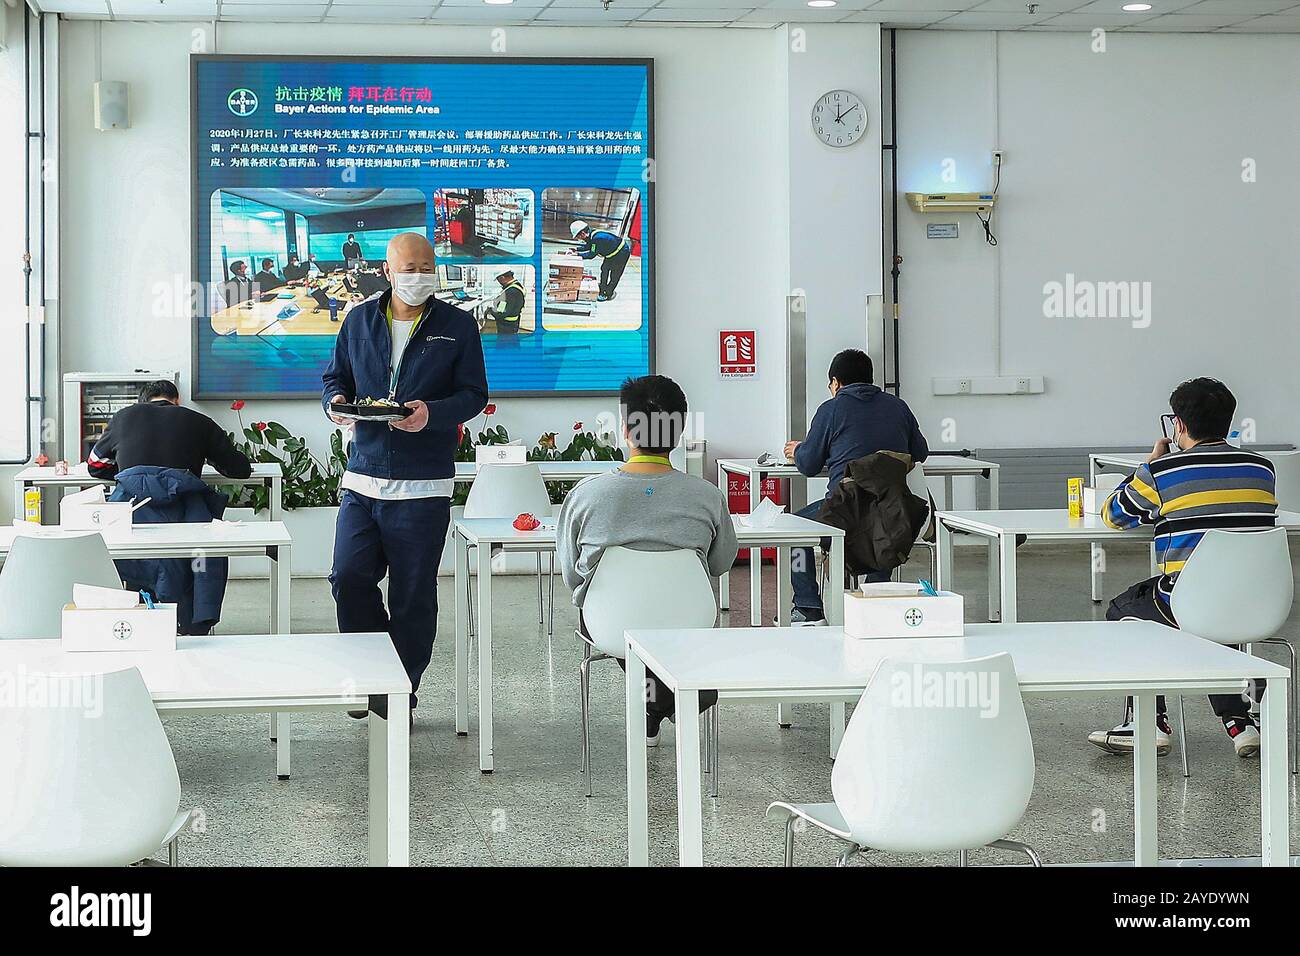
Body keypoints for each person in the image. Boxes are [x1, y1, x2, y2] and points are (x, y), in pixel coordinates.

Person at [322, 232, 488, 723]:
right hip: (363, 479)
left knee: (414, 593)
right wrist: (334, 405)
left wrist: (429, 414)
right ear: (388, 272)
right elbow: (337, 379)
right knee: (348, 578)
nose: (419, 276)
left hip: (423, 485)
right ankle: (372, 673)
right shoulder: (357, 320)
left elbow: (474, 395)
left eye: (426, 266)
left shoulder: (457, 325)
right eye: (409, 268)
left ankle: (401, 686)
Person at [1089, 377, 1277, 759]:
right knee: (1211, 615)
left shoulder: (1164, 472)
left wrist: (1148, 465)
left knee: (1125, 610)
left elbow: (1114, 515)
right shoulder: (1263, 469)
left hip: (1192, 600)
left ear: (1178, 424)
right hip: (1260, 600)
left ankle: (1148, 724)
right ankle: (1241, 724)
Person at [557, 375, 739, 745]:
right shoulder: (707, 497)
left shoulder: (585, 496)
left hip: (610, 622)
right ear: (679, 430)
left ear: (625, 429)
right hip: (689, 620)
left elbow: (571, 574)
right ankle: (662, 700)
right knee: (658, 623)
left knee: (631, 623)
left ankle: (654, 703)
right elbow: (720, 563)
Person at [87, 380, 252, 635]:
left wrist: (131, 473)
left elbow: (95, 465)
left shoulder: (123, 417)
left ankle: (137, 620)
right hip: (185, 516)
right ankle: (192, 624)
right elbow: (239, 469)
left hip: (132, 518)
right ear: (177, 400)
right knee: (202, 556)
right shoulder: (198, 421)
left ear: (143, 402)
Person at [782, 349, 929, 624]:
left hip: (843, 515)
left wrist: (798, 449)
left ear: (836, 382)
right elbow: (920, 452)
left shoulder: (831, 409)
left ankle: (807, 608)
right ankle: (876, 599)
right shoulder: (898, 407)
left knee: (794, 531)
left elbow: (809, 464)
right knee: (881, 523)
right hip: (894, 516)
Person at [570, 220, 631, 301]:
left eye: (578, 237)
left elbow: (591, 254)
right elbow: (589, 246)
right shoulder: (591, 235)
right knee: (604, 269)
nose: (579, 239)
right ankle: (602, 288)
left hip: (622, 252)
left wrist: (577, 255)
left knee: (615, 275)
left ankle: (608, 293)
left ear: (582, 233)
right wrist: (576, 250)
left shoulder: (597, 238)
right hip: (611, 252)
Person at [483, 269, 525, 334]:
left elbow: (501, 314)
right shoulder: (517, 285)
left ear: (502, 278)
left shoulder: (510, 292)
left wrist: (490, 310)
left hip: (506, 325)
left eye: (498, 280)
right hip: (514, 322)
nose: (499, 283)